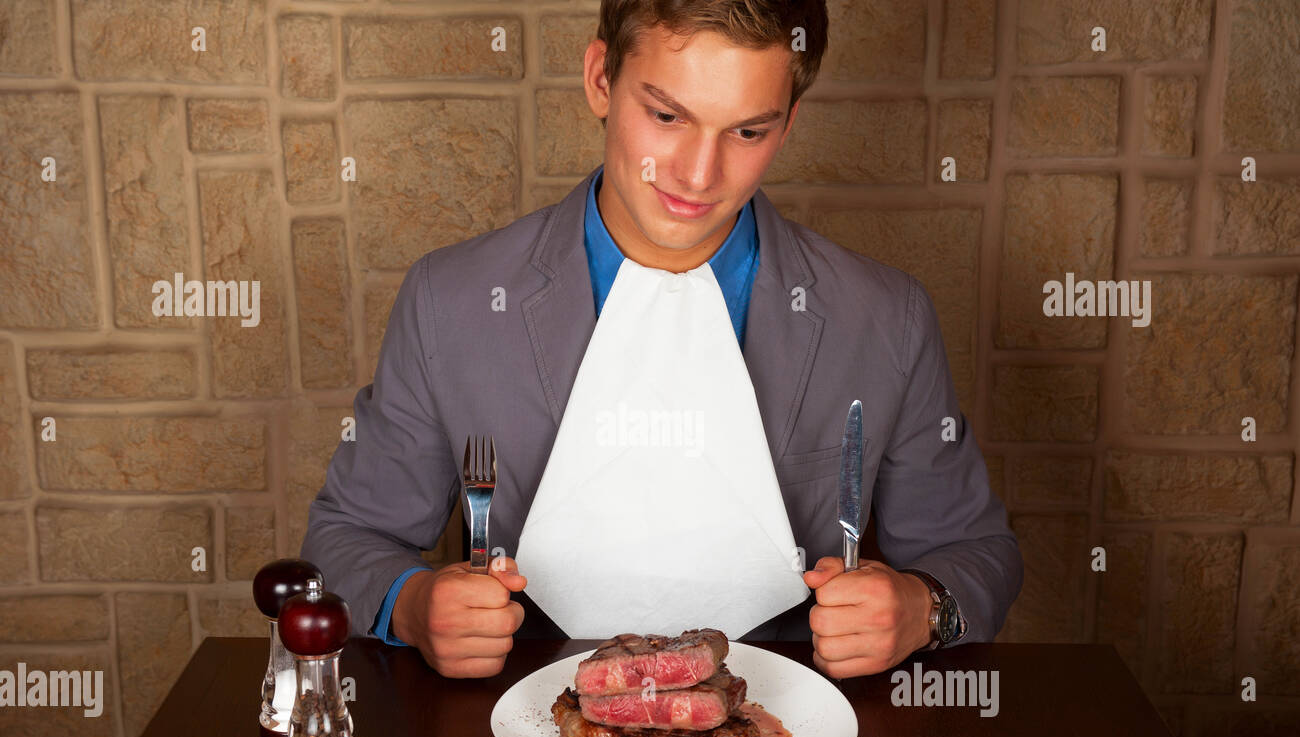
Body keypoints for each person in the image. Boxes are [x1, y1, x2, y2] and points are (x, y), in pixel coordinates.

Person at [301, 0, 1022, 680]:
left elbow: (977, 550)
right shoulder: (449, 302)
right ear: (599, 80)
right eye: (667, 114)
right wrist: (412, 604)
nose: (699, 175)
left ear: (789, 123)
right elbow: (345, 537)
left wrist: (925, 609)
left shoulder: (886, 318)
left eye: (748, 131)